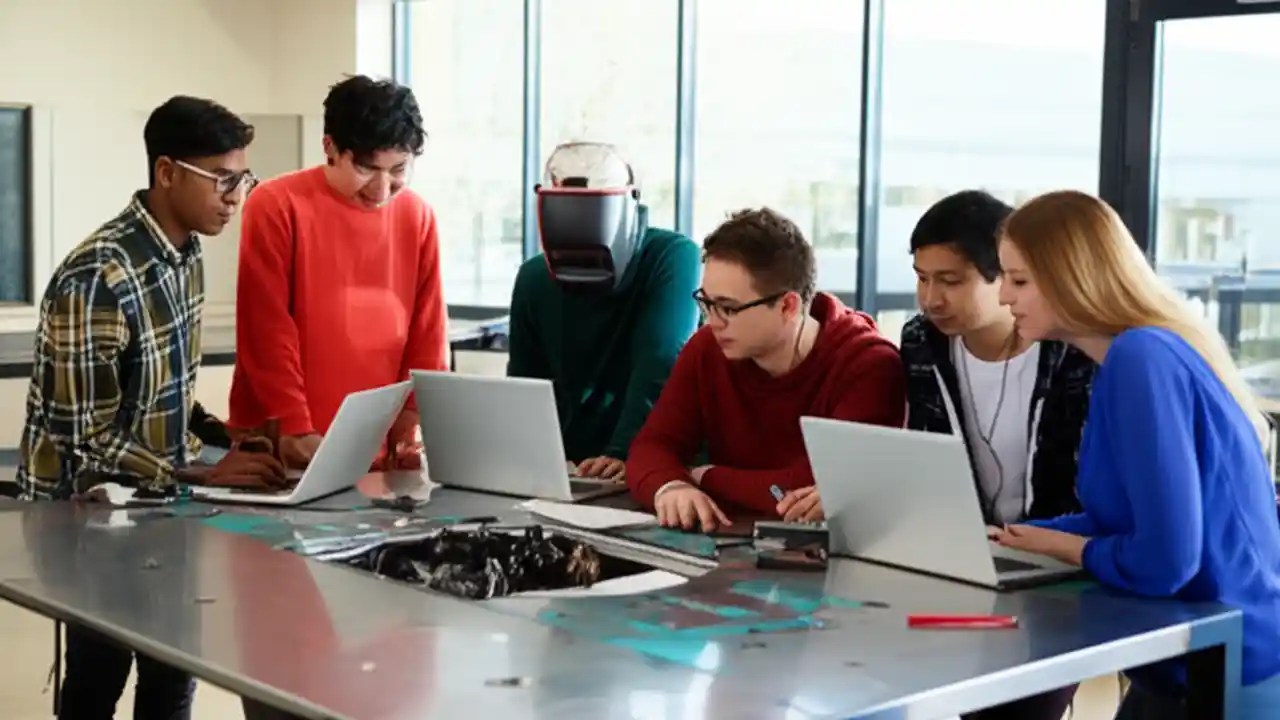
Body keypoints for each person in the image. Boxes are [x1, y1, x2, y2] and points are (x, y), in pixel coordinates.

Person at [16, 96, 284, 720]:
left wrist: (221, 434)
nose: (235, 196)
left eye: (241, 179)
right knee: (98, 677)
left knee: (172, 676)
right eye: (221, 179)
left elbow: (164, 385)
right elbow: (82, 437)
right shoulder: (98, 277)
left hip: (159, 506)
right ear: (167, 173)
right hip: (83, 523)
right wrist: (200, 472)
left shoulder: (185, 254)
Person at [991, 190, 1280, 720]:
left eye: (1019, 280)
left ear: (1074, 276)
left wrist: (1065, 548)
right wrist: (1024, 538)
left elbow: (1168, 559)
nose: (1004, 297)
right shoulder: (1138, 357)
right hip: (1189, 657)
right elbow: (1129, 520)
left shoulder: (1139, 359)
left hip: (1227, 669)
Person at [626, 207, 906, 532]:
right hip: (729, 549)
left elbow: (812, 492)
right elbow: (650, 447)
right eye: (707, 303)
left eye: (728, 308)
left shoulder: (869, 366)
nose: (713, 321)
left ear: (787, 306)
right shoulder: (708, 348)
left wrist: (705, 476)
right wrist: (671, 487)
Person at [229, 74, 447, 471]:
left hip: (378, 447)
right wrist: (294, 425)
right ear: (329, 146)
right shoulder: (276, 205)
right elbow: (266, 329)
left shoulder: (418, 216)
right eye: (366, 168)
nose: (382, 189)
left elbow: (427, 332)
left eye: (398, 169)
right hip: (283, 444)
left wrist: (413, 417)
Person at [507, 142, 701, 479]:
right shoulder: (534, 277)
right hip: (570, 468)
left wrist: (624, 451)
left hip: (653, 459)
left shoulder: (673, 256)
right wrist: (531, 461)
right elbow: (525, 387)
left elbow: (662, 359)